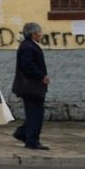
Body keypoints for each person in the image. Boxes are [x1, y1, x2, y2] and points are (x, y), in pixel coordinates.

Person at [12, 21, 51, 150]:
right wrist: (42, 76)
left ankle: (24, 134)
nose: (41, 35)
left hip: (32, 87)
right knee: (35, 114)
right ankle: (32, 140)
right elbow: (27, 66)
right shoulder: (28, 47)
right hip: (31, 87)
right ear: (33, 34)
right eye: (39, 32)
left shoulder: (29, 45)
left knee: (34, 113)